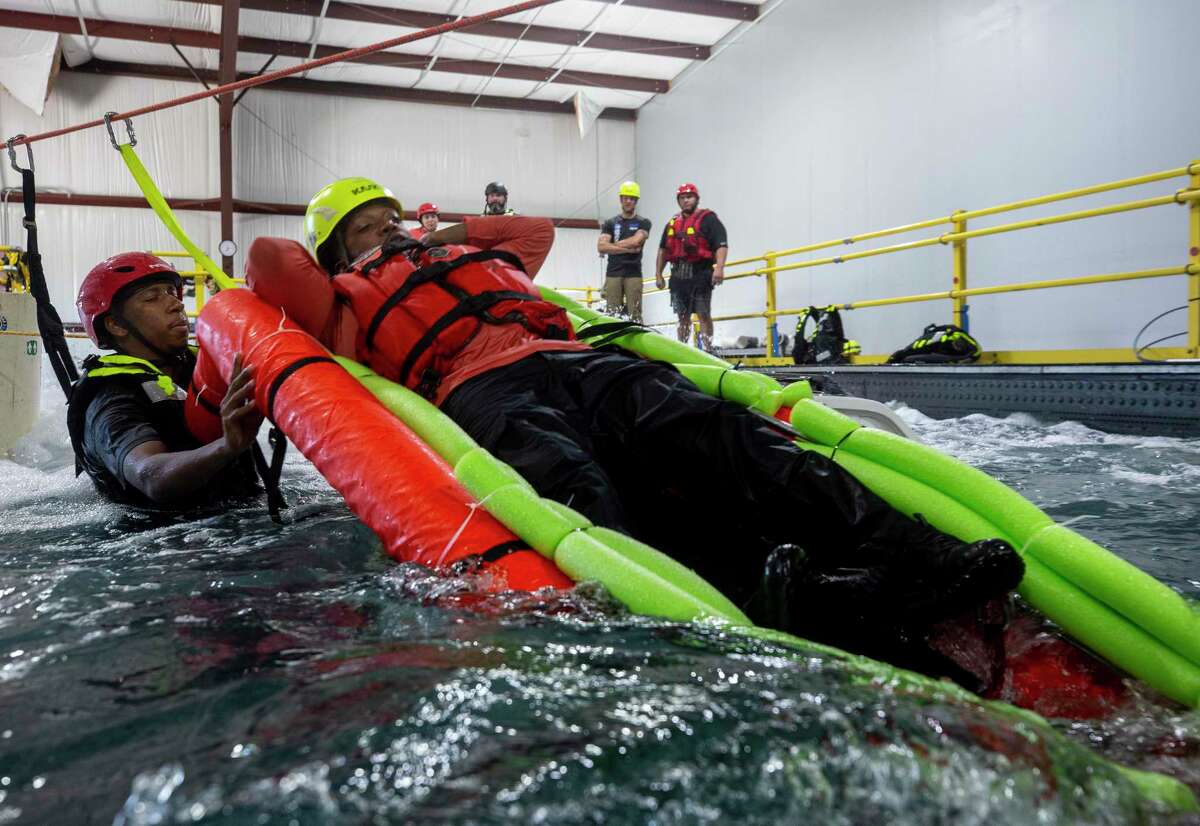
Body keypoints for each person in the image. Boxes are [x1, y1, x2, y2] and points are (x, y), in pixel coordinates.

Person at [246, 177, 1024, 688]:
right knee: (579, 490)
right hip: (478, 389)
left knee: (723, 433)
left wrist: (442, 227)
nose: (388, 231)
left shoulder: (470, 250)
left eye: (390, 215)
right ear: (332, 254)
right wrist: (352, 249)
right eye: (364, 228)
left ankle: (915, 558)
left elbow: (535, 228)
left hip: (578, 359)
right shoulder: (341, 303)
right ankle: (735, 615)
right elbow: (269, 263)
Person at [68, 253, 263, 509]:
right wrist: (226, 446)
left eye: (172, 292)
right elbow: (149, 475)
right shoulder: (110, 397)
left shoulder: (204, 365)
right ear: (116, 325)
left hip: (242, 516)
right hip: (162, 539)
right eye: (152, 297)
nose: (176, 304)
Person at [655, 182, 728, 352]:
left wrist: (719, 268)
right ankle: (683, 349)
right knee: (682, 317)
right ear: (678, 201)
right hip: (679, 276)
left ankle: (708, 349)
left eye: (689, 197)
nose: (686, 200)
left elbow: (721, 245)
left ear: (696, 198)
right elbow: (663, 250)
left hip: (701, 273)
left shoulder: (709, 219)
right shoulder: (673, 222)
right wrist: (658, 274)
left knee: (703, 314)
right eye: (682, 198)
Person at [597, 181, 651, 322]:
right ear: (621, 199)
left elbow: (636, 242)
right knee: (612, 315)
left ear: (636, 201)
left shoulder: (643, 222)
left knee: (635, 316)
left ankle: (634, 344)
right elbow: (601, 247)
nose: (628, 201)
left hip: (633, 273)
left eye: (632, 198)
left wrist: (612, 246)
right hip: (613, 273)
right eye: (625, 198)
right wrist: (627, 248)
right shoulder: (610, 223)